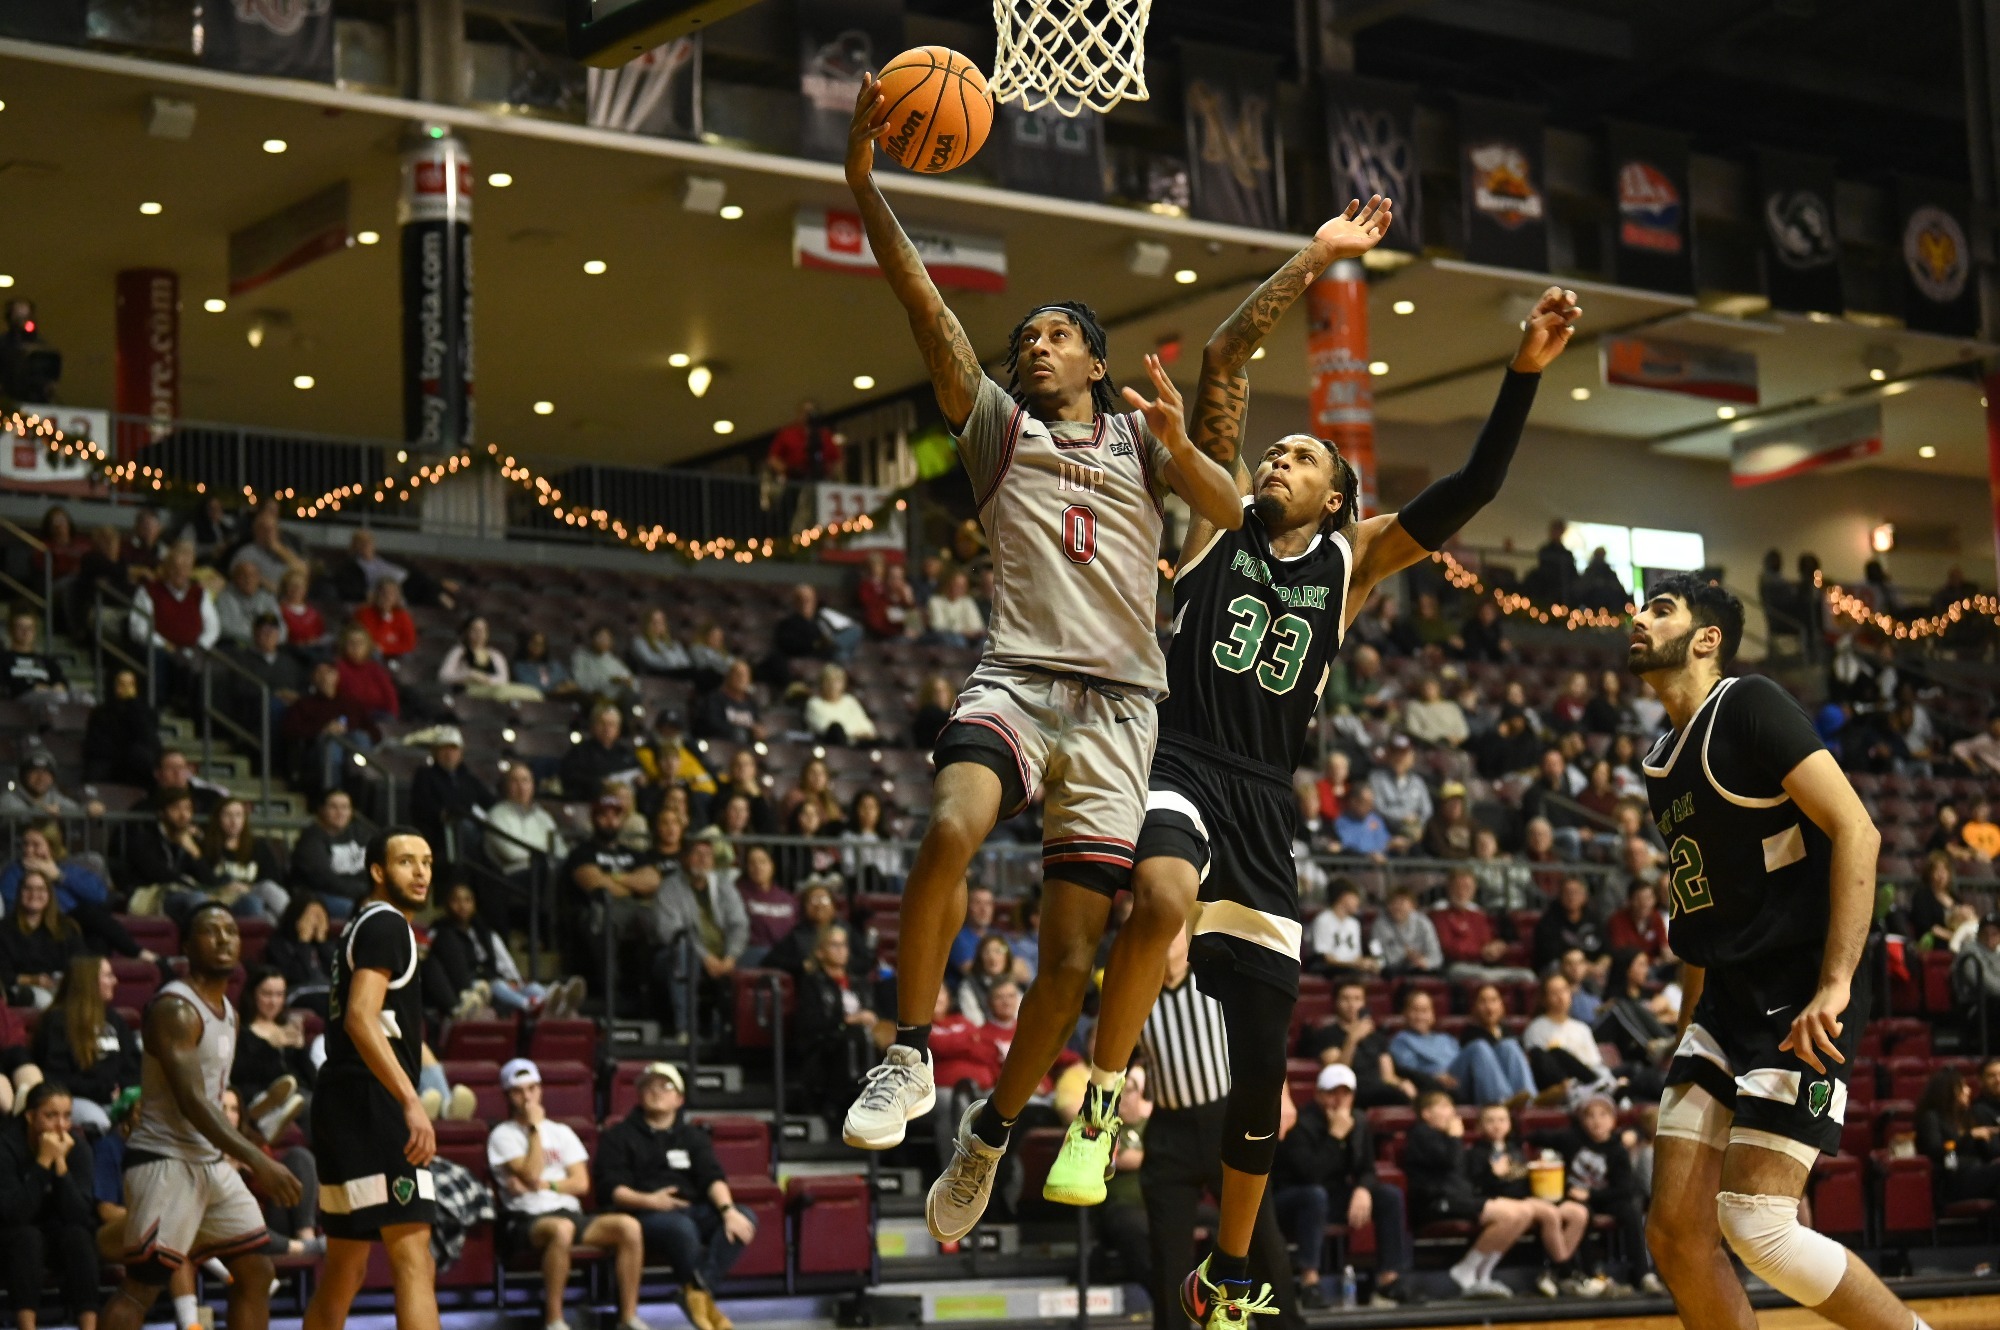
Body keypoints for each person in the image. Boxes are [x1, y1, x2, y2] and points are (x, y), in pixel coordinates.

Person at [834, 65, 1249, 1188]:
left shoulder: (1136, 439)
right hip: (1016, 678)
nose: (1033, 345)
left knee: (1068, 955)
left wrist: (1182, 439)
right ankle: (908, 1052)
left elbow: (1236, 516)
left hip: (1120, 708)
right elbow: (924, 306)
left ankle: (989, 1134)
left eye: (1056, 334)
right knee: (945, 828)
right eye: (1025, 336)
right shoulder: (994, 430)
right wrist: (865, 182)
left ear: (1096, 361)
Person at [1629, 578, 1914, 1330]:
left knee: (1757, 1223)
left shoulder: (1748, 704)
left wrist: (1836, 985)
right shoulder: (1661, 759)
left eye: (1660, 609)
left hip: (1800, 989)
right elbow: (1697, 900)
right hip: (1724, 996)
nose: (1638, 617)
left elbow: (1859, 830)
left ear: (1706, 638)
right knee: (1677, 1235)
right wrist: (1691, 1021)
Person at [97, 903, 302, 1330]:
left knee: (256, 1272)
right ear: (187, 946)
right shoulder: (175, 1009)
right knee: (143, 1286)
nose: (225, 938)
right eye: (211, 932)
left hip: (207, 1162)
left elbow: (210, 1097)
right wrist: (261, 1159)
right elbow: (192, 1101)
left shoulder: (229, 1011)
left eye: (231, 930)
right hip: (165, 1161)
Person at [302, 827, 441, 1330]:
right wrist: (409, 1099)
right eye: (407, 862)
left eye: (427, 861)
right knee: (413, 1257)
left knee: (345, 1265)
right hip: (372, 1100)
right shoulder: (387, 925)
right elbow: (362, 1017)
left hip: (339, 1099)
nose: (422, 872)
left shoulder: (361, 924)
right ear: (379, 872)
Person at [1129, 928, 1300, 1330]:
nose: (1163, 941)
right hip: (1169, 1132)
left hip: (1228, 1120)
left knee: (1262, 1241)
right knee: (1168, 1254)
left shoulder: (1214, 977)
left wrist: (1284, 1094)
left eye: (1170, 933)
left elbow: (1261, 1037)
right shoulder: (1134, 990)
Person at [487, 1059, 651, 1330]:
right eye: (519, 1091)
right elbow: (530, 1173)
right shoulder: (502, 1136)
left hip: (569, 1212)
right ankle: (554, 1319)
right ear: (507, 1095)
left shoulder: (563, 1132)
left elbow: (580, 1184)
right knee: (561, 1229)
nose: (527, 1097)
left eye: (532, 1089)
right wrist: (535, 1129)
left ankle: (628, 1317)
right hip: (526, 1218)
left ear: (540, 1090)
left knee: (628, 1226)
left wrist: (548, 1186)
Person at [595, 1062, 758, 1330]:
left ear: (679, 1099)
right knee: (680, 1228)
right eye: (649, 1086)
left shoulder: (693, 1136)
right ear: (638, 1094)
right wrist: (651, 1201)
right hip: (643, 1212)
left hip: (691, 1208)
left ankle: (696, 1292)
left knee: (745, 1217)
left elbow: (712, 1177)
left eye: (665, 1086)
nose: (657, 1092)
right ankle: (705, 1304)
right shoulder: (619, 1136)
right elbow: (611, 1188)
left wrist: (728, 1211)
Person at [1271, 1064, 1413, 1308]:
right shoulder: (1299, 1123)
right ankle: (1309, 1282)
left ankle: (1388, 1281)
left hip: (1331, 1197)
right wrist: (1335, 1137)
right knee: (1315, 1196)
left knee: (1389, 1195)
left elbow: (1367, 1169)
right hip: (1291, 1200)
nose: (1338, 1100)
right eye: (1331, 1092)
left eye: (1345, 1093)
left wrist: (1363, 1190)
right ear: (1318, 1093)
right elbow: (1309, 1175)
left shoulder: (1358, 1121)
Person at [1401, 1090, 1535, 1298]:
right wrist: (1455, 1138)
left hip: (1459, 1198)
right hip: (1437, 1202)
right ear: (1427, 1113)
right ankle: (1465, 1269)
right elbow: (1448, 1161)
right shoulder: (1421, 1134)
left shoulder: (1445, 1137)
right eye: (1444, 1107)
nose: (1452, 1113)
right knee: (1508, 1215)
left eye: (1452, 1107)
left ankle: (1483, 1274)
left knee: (1524, 1213)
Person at [1530, 1091, 1660, 1294]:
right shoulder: (1570, 1138)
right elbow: (1534, 1135)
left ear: (1613, 1120)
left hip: (1601, 1196)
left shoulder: (1617, 1148)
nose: (1596, 1121)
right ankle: (1588, 1274)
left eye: (1602, 1115)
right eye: (1590, 1115)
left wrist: (1590, 1194)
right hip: (1574, 1198)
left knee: (1631, 1210)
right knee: (1583, 1214)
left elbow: (1624, 1189)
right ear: (1581, 1120)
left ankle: (1643, 1273)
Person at [1465, 1101, 1592, 1297]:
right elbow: (1478, 1188)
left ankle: (1554, 1271)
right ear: (1479, 1126)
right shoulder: (1476, 1153)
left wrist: (1539, 1169)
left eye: (1501, 1120)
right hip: (1506, 1202)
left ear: (1509, 1123)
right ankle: (1567, 1271)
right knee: (1549, 1213)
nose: (1497, 1125)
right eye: (1490, 1121)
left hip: (1532, 1198)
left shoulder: (1516, 1148)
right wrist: (1494, 1175)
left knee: (1578, 1213)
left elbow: (1525, 1177)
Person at [0, 1082, 99, 1330]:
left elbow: (79, 1215)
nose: (61, 1125)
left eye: (66, 1116)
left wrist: (61, 1167)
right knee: (27, 1238)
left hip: (57, 1232)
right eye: (51, 1116)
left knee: (78, 1237)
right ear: (30, 1116)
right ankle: (27, 1326)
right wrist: (43, 1162)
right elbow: (15, 1214)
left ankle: (89, 1326)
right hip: (11, 1235)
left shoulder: (76, 1147)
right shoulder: (7, 1146)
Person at [425, 881, 576, 1021]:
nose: (462, 905)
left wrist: (515, 981)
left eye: (467, 900)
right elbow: (453, 970)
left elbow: (504, 963)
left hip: (494, 979)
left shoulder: (484, 932)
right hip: (473, 985)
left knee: (531, 987)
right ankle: (529, 1006)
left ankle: (558, 1001)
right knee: (499, 986)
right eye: (455, 900)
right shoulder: (442, 933)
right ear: (446, 904)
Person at [561, 794, 661, 1001]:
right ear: (594, 819)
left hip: (635, 908)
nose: (610, 821)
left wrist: (613, 876)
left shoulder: (634, 853)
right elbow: (594, 884)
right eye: (603, 816)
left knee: (657, 922)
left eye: (615, 816)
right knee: (607, 921)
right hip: (598, 909)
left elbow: (652, 882)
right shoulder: (582, 852)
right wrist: (633, 884)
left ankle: (649, 993)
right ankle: (612, 994)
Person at [32, 955, 142, 1133]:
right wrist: (103, 1091)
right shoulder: (57, 1021)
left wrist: (123, 1091)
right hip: (75, 1099)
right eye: (107, 976)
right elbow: (55, 1078)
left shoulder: (114, 1019)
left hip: (117, 1099)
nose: (115, 981)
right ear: (88, 982)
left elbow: (134, 1066)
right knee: (99, 1122)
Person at [648, 840, 746, 1039]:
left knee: (763, 957)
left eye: (708, 855)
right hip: (678, 954)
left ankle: (741, 1037)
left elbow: (739, 924)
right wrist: (705, 957)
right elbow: (671, 933)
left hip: (724, 953)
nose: (703, 860)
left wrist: (731, 957)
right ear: (684, 858)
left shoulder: (724, 886)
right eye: (697, 854)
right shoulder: (669, 888)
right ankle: (686, 1030)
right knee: (683, 952)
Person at [792, 924, 882, 1123]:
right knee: (852, 1038)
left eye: (844, 945)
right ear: (820, 952)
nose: (841, 950)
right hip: (826, 1047)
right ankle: (837, 1104)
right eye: (834, 945)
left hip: (863, 1042)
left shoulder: (859, 983)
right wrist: (849, 1020)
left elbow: (873, 1013)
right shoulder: (812, 983)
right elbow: (811, 1024)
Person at [1389, 987, 1533, 1107]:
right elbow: (1408, 1069)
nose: (1420, 1016)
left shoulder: (1445, 1038)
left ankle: (1531, 1101)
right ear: (1405, 1014)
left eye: (1425, 1010)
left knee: (1508, 1045)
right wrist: (1435, 1074)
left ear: (1433, 1015)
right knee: (1478, 1046)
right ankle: (1500, 1101)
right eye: (1415, 1010)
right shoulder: (1401, 1040)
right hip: (1439, 1083)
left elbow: (1463, 1060)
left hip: (1460, 1077)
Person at [1433, 868, 1534, 986]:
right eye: (1458, 887)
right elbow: (1449, 948)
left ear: (1474, 889)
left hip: (1483, 966)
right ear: (1449, 888)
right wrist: (1480, 952)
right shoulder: (1439, 915)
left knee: (1527, 976)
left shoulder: (1478, 915)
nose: (1462, 892)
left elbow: (1486, 942)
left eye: (1467, 888)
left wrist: (1496, 948)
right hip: (1457, 967)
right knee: (1484, 977)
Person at [1914, 1068, 2000, 1206]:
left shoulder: (1965, 1118)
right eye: (1963, 1086)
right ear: (1950, 1091)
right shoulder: (1932, 1118)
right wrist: (1970, 1136)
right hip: (1952, 1177)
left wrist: (1985, 1140)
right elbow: (1936, 1150)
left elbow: (1984, 1154)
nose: (1968, 1091)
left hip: (1978, 1172)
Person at [0, 870, 83, 1010]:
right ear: (20, 892)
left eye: (41, 889)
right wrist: (33, 980)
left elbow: (81, 960)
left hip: (62, 986)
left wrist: (63, 980)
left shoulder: (66, 927)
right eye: (28, 888)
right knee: (46, 1001)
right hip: (23, 990)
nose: (34, 894)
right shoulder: (4, 930)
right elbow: (3, 973)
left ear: (49, 895)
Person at [201, 797, 290, 920]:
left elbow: (273, 879)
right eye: (228, 815)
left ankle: (295, 923)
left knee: (268, 892)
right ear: (218, 818)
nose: (234, 821)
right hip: (225, 898)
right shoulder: (206, 847)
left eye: (238, 815)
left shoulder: (258, 846)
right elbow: (202, 878)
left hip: (253, 893)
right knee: (257, 908)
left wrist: (247, 888)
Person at [409, 727, 494, 852]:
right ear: (434, 752)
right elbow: (422, 805)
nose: (449, 754)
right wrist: (444, 814)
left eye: (453, 749)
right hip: (439, 834)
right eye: (444, 748)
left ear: (461, 753)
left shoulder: (468, 779)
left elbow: (489, 801)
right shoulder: (425, 775)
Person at [290, 789, 371, 920]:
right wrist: (363, 892)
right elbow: (324, 880)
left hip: (358, 893)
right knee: (358, 908)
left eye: (345, 807)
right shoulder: (311, 839)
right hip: (321, 896)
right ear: (321, 810)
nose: (340, 813)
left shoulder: (360, 834)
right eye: (334, 807)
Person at [560, 704, 642, 799]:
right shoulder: (579, 753)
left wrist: (641, 780)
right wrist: (599, 784)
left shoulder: (627, 754)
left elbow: (638, 774)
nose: (607, 729)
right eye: (602, 723)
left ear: (618, 729)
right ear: (592, 726)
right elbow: (570, 780)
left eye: (611, 724)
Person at [1371, 887, 1442, 976]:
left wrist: (1424, 962)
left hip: (1420, 970)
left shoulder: (1423, 923)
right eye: (1393, 902)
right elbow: (1376, 956)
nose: (1396, 907)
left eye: (1401, 903)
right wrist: (1403, 955)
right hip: (1391, 971)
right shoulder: (1378, 925)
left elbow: (1436, 957)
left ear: (1412, 906)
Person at [690, 659, 764, 745]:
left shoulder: (751, 704)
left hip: (747, 749)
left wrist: (759, 731)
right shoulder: (714, 700)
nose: (741, 678)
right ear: (728, 676)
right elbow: (711, 726)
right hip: (719, 747)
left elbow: (758, 725)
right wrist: (743, 729)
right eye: (738, 674)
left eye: (745, 675)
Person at [0, 604, 66, 699]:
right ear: (11, 629)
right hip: (20, 704)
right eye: (20, 627)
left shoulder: (46, 661)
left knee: (84, 697)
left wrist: (60, 685)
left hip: (50, 700)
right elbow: (4, 688)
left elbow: (61, 680)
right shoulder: (3, 660)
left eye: (29, 628)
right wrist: (31, 688)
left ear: (35, 631)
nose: (25, 632)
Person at [804, 662, 878, 745]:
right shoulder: (814, 704)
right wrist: (856, 733)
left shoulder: (850, 701)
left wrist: (861, 734)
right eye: (829, 681)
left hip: (858, 744)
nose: (833, 686)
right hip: (833, 745)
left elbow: (868, 728)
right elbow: (826, 729)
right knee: (836, 728)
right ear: (821, 683)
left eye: (837, 682)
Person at [571, 624, 638, 705]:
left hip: (615, 701)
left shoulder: (613, 661)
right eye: (600, 637)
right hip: (591, 699)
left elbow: (633, 681)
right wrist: (609, 681)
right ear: (592, 638)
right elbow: (581, 683)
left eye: (607, 638)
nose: (604, 641)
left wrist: (628, 682)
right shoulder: (581, 657)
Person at [354, 578, 417, 659]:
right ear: (376, 594)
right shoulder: (364, 613)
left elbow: (409, 644)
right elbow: (371, 639)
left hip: (395, 654)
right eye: (383, 593)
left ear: (397, 597)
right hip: (369, 654)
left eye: (391, 594)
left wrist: (386, 648)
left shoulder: (403, 616)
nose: (387, 597)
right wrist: (385, 616)